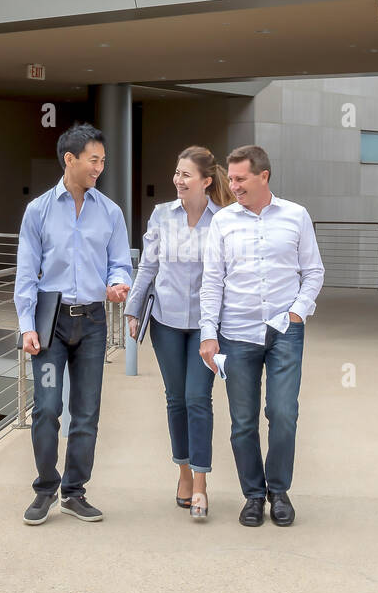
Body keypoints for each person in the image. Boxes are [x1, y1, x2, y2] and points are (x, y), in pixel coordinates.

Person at [199, 145, 324, 528]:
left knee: (283, 413)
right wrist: (209, 334)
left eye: (240, 179)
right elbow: (211, 282)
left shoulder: (296, 216)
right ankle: (253, 495)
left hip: (285, 332)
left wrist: (297, 312)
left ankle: (279, 491)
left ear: (263, 176)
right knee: (243, 421)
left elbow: (313, 271)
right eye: (231, 179)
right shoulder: (222, 222)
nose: (232, 186)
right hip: (236, 334)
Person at [14, 122, 132, 525]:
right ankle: (45, 488)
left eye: (103, 160)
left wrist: (119, 283)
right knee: (47, 408)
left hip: (94, 324)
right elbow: (27, 274)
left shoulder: (110, 211)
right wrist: (27, 325)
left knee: (86, 412)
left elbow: (120, 262)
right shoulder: (39, 211)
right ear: (71, 159)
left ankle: (75, 492)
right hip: (51, 326)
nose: (99, 167)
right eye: (93, 160)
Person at [125, 146, 235, 520]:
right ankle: (184, 474)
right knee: (175, 399)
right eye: (176, 173)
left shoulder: (222, 220)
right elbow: (148, 266)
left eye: (186, 174)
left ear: (206, 181)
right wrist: (133, 309)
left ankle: (202, 485)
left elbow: (226, 277)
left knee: (197, 398)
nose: (178, 180)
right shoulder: (162, 216)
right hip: (167, 323)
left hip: (206, 326)